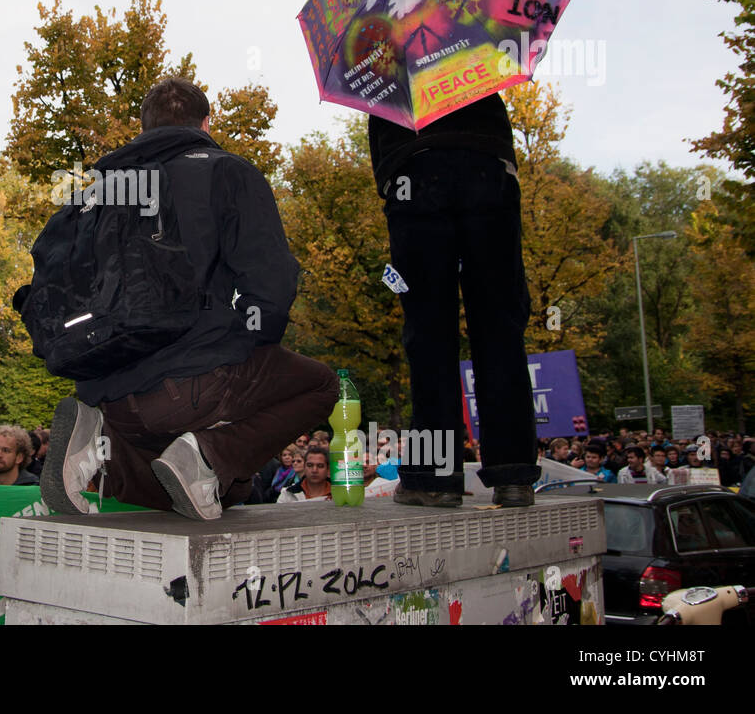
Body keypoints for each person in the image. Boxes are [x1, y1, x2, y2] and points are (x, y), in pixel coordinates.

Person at [32, 79, 339, 520]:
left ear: (143, 127)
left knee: (227, 492)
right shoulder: (226, 172)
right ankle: (207, 452)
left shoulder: (94, 192)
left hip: (110, 398)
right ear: (206, 123)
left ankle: (99, 442)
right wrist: (244, 344)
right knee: (321, 384)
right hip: (194, 378)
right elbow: (271, 283)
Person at [369, 93, 542, 508]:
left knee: (429, 331)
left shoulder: (380, 57)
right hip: (486, 163)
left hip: (414, 168)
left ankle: (434, 476)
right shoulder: (472, 47)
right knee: (500, 325)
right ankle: (513, 472)